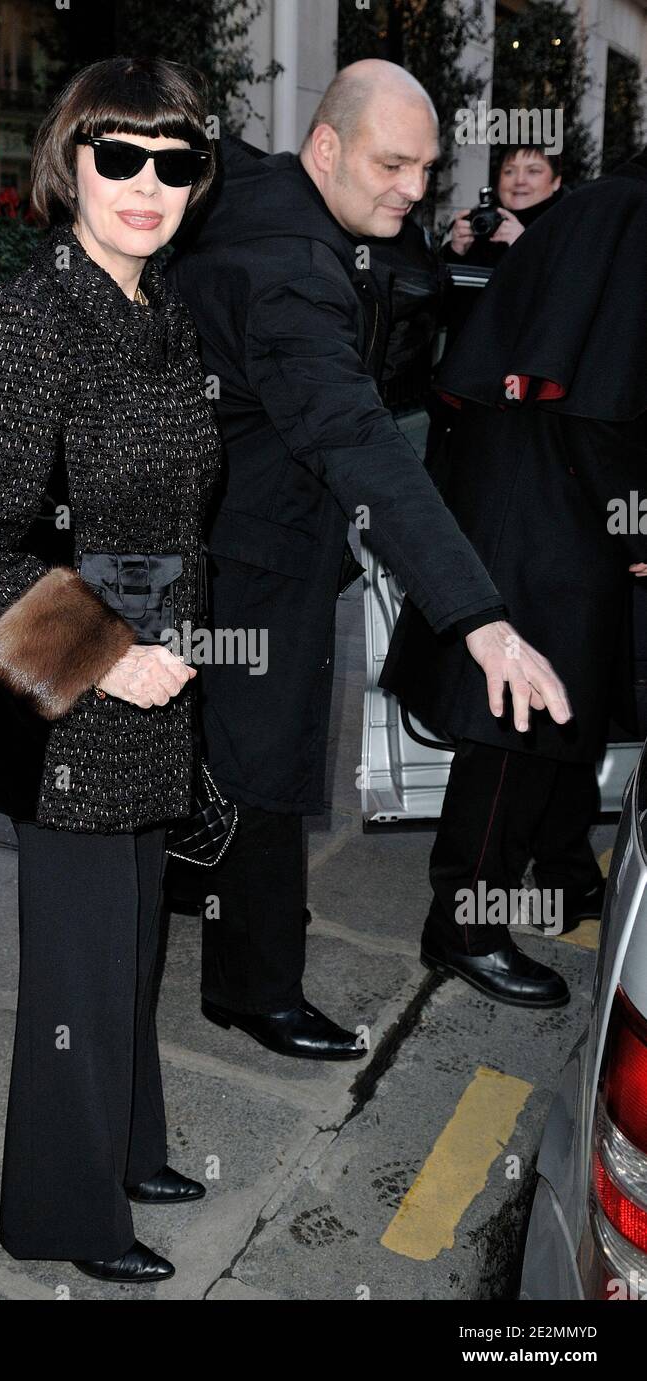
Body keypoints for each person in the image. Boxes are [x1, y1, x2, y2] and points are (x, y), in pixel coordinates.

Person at [167, 58, 571, 1060]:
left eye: (426, 169)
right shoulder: (293, 273)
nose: (411, 187)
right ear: (326, 146)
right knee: (265, 773)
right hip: (257, 552)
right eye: (391, 164)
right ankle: (253, 990)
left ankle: (189, 890)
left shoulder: (260, 190)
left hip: (212, 524)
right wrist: (476, 615)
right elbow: (357, 441)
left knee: (205, 744)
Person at [0, 55, 220, 1283]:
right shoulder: (26, 324)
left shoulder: (163, 310)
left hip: (153, 681)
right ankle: (58, 1211)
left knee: (132, 946)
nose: (147, 185)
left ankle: (127, 1146)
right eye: (120, 156)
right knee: (77, 969)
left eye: (176, 161)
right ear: (71, 161)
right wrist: (104, 663)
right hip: (65, 700)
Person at [380, 145, 647, 1005]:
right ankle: (462, 924)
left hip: (545, 490)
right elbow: (601, 405)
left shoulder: (609, 204)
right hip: (549, 506)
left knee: (574, 702)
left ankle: (563, 874)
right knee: (514, 723)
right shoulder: (633, 215)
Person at [444, 144, 566, 268]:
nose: (519, 180)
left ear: (556, 181)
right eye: (509, 171)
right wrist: (455, 252)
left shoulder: (569, 229)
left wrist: (524, 247)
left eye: (533, 171)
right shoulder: (482, 225)